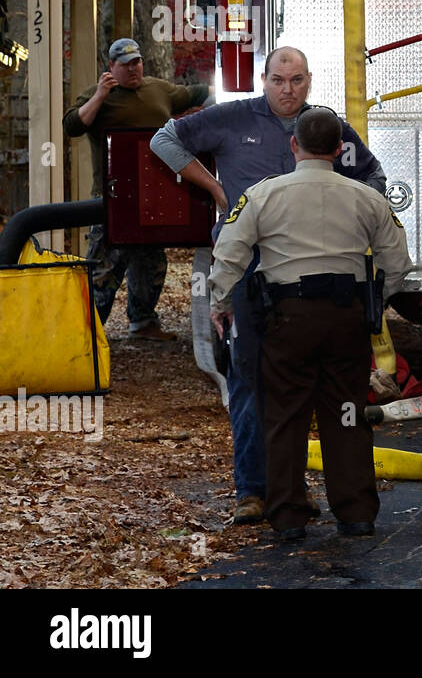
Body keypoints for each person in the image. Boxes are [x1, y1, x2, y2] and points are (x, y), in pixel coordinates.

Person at [150, 46, 386, 526]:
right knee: (250, 384)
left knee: (318, 395)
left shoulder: (327, 129)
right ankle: (255, 492)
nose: (287, 90)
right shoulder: (232, 118)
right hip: (247, 277)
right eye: (278, 80)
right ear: (264, 79)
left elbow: (372, 177)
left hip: (308, 283)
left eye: (297, 80)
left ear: (310, 81)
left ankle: (302, 500)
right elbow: (164, 139)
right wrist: (215, 189)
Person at [208, 108, 413, 541]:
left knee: (285, 415)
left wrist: (220, 303)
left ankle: (288, 516)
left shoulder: (263, 195)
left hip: (287, 320)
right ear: (340, 150)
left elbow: (229, 252)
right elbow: (399, 264)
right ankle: (356, 512)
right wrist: (372, 303)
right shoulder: (367, 198)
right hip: (346, 319)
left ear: (293, 146)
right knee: (346, 414)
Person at [63, 38, 209, 340]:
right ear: (111, 67)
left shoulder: (159, 90)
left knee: (151, 259)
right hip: (111, 196)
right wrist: (101, 94)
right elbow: (73, 126)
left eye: (137, 62)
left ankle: (143, 322)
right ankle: (86, 332)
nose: (134, 69)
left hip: (153, 193)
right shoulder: (97, 95)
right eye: (126, 64)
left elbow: (199, 94)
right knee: (104, 266)